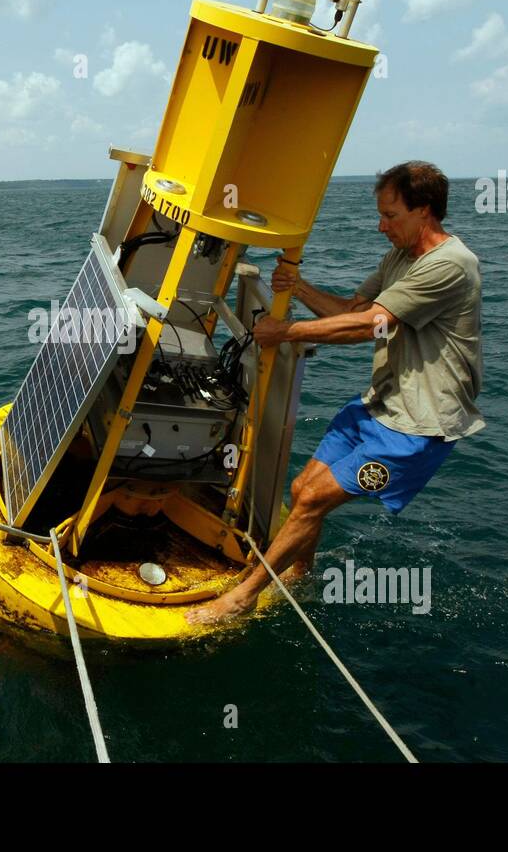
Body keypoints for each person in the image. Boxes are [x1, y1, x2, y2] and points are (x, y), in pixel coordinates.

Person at [188, 161, 484, 625]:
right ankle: (300, 576)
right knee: (302, 487)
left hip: (417, 426)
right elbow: (352, 307)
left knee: (311, 502)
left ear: (424, 212)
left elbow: (372, 325)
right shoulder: (400, 258)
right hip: (379, 404)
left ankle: (241, 598)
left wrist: (284, 331)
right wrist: (298, 286)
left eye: (390, 215)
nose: (380, 225)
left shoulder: (450, 265)